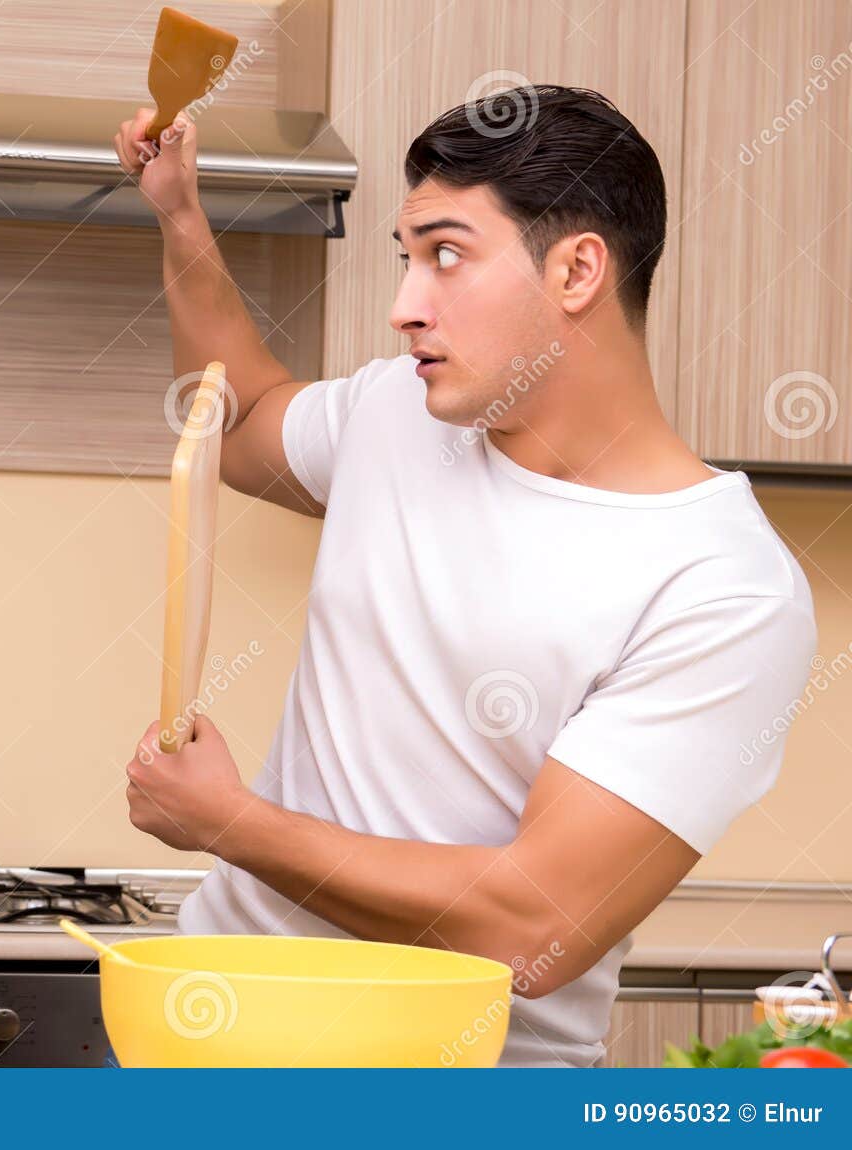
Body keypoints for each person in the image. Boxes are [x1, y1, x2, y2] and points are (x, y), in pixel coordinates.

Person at [113, 86, 817, 1066]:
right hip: (210, 1030)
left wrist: (230, 822)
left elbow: (535, 928)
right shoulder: (396, 413)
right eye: (406, 259)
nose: (404, 307)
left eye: (445, 255)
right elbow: (234, 423)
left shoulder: (722, 589)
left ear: (577, 270)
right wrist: (180, 213)